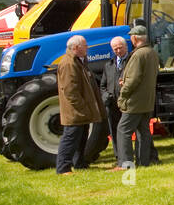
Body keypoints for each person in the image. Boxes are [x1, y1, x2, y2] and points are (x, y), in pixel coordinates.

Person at [55, 35, 106, 175]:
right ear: (76, 48)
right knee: (70, 138)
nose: (87, 48)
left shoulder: (79, 61)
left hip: (81, 110)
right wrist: (83, 107)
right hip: (75, 111)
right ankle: (63, 167)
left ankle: (79, 163)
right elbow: (70, 91)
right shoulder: (68, 64)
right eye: (85, 45)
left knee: (81, 137)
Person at [114, 25, 160, 169]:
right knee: (143, 131)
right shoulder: (151, 52)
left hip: (134, 101)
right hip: (147, 101)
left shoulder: (138, 54)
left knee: (123, 131)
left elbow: (134, 79)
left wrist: (123, 93)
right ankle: (143, 162)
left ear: (134, 38)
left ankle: (125, 164)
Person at [101, 36, 129, 151]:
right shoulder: (109, 65)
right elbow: (102, 85)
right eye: (115, 49)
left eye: (120, 48)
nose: (118, 51)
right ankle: (119, 156)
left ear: (126, 47)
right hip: (112, 104)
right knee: (114, 130)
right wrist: (105, 96)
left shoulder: (131, 62)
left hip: (128, 103)